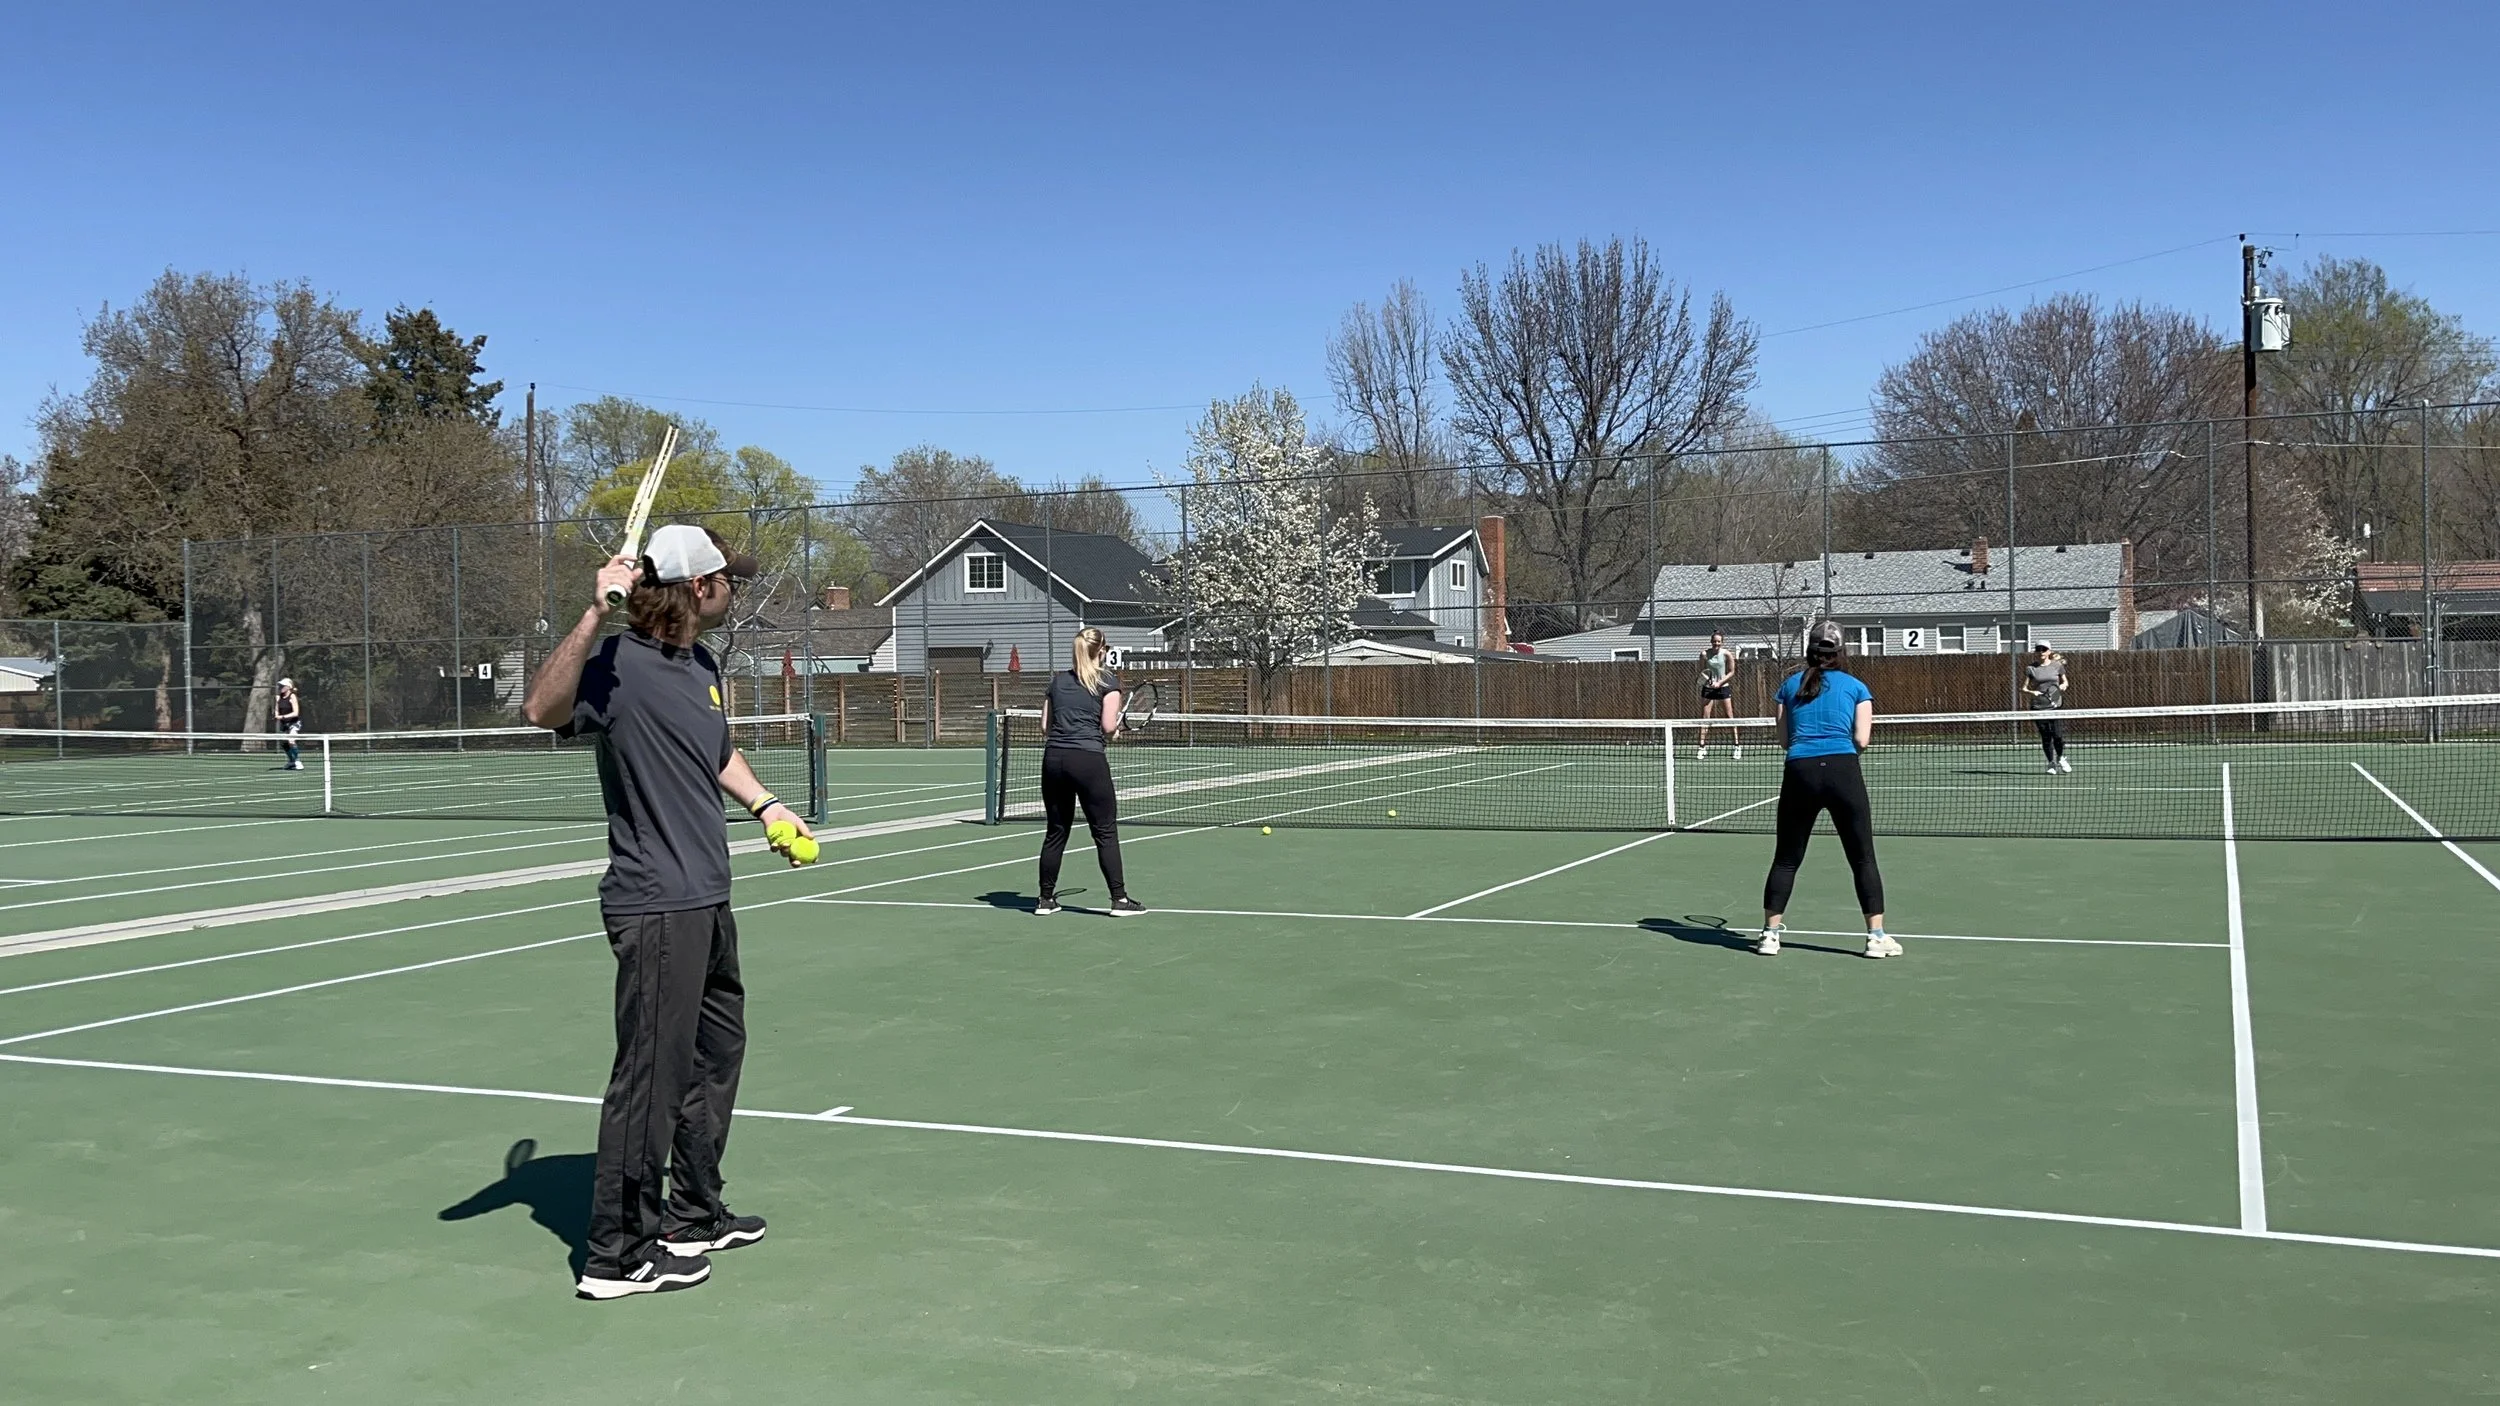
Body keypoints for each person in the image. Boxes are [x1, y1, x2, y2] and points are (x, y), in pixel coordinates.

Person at [521, 523, 816, 1300]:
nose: (735, 587)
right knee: (647, 1078)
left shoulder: (701, 664)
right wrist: (592, 614)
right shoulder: (614, 665)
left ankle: (690, 1212)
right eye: (727, 578)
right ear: (695, 588)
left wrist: (768, 807)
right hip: (654, 903)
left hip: (708, 895)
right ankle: (616, 1255)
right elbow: (540, 709)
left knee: (716, 1056)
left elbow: (717, 750)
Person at [1756, 619, 1895, 960]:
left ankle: (1769, 936)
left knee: (1786, 859)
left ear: (1809, 650)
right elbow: (1862, 739)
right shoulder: (1857, 688)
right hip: (1842, 772)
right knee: (1862, 857)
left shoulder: (1788, 687)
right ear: (1841, 651)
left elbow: (1785, 740)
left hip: (1799, 772)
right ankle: (1875, 937)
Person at [1034, 626, 1145, 917]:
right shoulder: (1108, 682)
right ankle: (1119, 900)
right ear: (1102, 651)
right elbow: (1109, 727)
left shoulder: (1057, 682)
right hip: (1088, 761)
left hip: (1054, 760)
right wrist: (1116, 731)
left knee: (1056, 831)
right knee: (1105, 831)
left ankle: (1045, 900)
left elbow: (1045, 727)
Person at [2024, 641, 2072, 774]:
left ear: (2049, 651)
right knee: (2046, 736)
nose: (2041, 652)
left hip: (2055, 704)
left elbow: (2065, 681)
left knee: (2057, 735)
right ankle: (2051, 763)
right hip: (2038, 707)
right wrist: (2032, 692)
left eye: (2044, 649)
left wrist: (2063, 686)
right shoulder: (2031, 668)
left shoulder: (2057, 666)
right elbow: (2024, 688)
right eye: (2038, 649)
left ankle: (2061, 758)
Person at [1696, 631, 1740, 759]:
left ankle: (1737, 746)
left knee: (1729, 716)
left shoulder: (1726, 654)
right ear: (1711, 641)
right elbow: (1702, 671)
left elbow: (1731, 672)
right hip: (1708, 689)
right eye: (1714, 641)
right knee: (1705, 717)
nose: (1716, 643)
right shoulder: (1704, 654)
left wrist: (1720, 682)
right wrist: (1708, 681)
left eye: (1718, 641)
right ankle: (1702, 747)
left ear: (1722, 642)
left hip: (1723, 688)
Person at [273, 678, 304, 771]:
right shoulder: (278, 697)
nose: (280, 687)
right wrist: (276, 716)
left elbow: (296, 713)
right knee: (284, 743)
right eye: (280, 686)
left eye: (283, 686)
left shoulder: (292, 696)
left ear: (288, 687)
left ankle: (297, 761)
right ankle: (291, 761)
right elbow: (276, 711)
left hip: (294, 722)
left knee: (291, 740)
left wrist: (282, 717)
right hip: (285, 724)